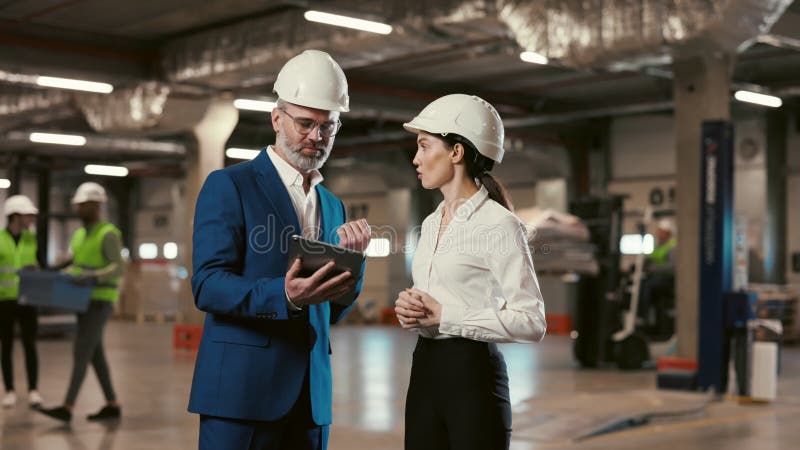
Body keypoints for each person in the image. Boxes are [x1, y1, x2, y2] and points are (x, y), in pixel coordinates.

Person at [188, 49, 371, 450]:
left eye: (328, 127)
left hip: (311, 402)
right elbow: (207, 284)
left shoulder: (332, 204)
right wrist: (284, 295)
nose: (316, 137)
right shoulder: (229, 186)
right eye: (305, 123)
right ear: (277, 118)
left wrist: (353, 272)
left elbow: (332, 310)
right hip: (241, 396)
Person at [395, 94, 547, 450]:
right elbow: (436, 298)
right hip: (425, 370)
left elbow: (532, 320)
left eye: (424, 146)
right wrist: (411, 309)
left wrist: (445, 316)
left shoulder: (499, 225)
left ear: (456, 152)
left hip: (472, 377)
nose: (416, 159)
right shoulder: (431, 223)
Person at [36, 182, 124, 422]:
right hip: (80, 299)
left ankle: (67, 406)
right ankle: (112, 404)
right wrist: (50, 270)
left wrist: (94, 276)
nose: (78, 209)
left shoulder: (108, 234)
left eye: (82, 205)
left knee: (82, 350)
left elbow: (118, 267)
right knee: (95, 353)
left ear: (96, 205)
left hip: (100, 300)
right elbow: (74, 262)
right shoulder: (79, 234)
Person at [0, 194, 43, 408]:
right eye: (28, 215)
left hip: (28, 300)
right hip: (5, 301)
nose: (31, 219)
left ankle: (33, 390)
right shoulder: (0, 239)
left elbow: (38, 265)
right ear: (15, 216)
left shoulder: (31, 239)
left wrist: (35, 268)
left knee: (30, 345)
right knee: (6, 347)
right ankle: (9, 390)